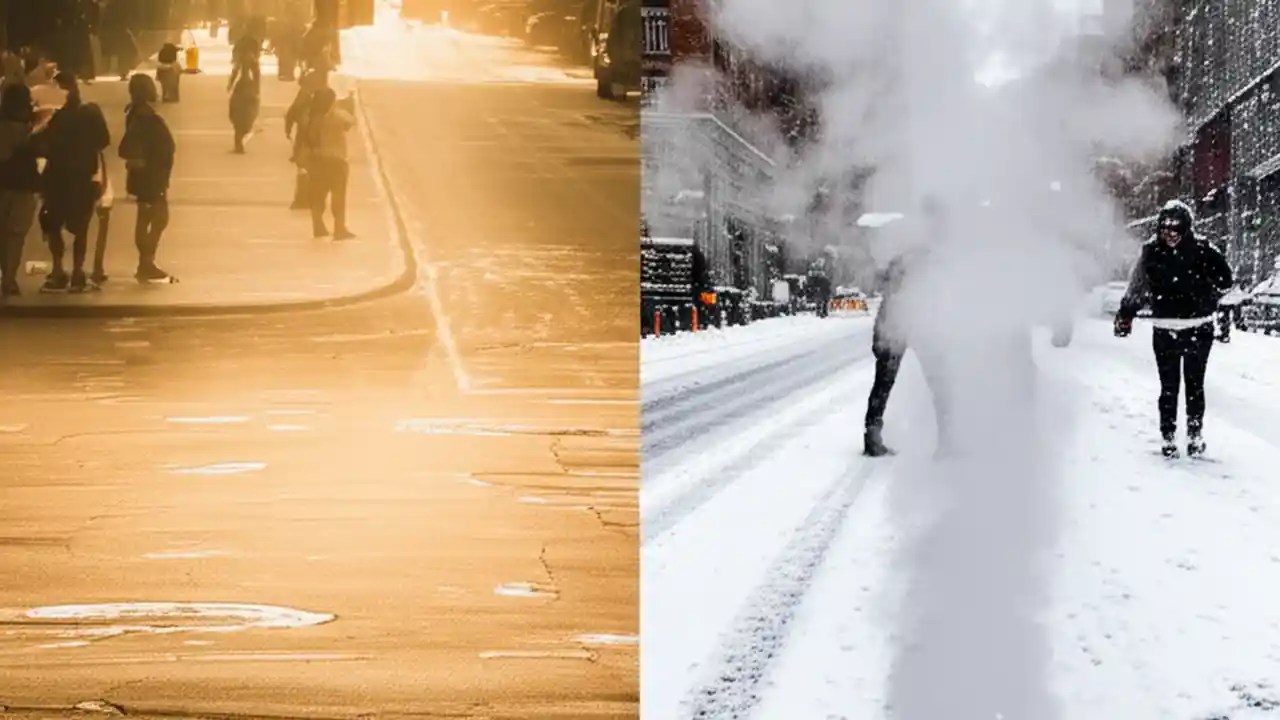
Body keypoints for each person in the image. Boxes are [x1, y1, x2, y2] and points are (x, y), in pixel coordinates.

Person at [1115, 200, 1233, 458]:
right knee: (1170, 385)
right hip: (1169, 326)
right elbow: (1138, 286)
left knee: (1193, 384)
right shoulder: (1154, 252)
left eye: (1175, 227)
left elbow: (1226, 281)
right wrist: (1126, 314)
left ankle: (1193, 433)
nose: (1169, 233)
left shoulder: (1202, 251)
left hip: (1197, 327)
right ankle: (1169, 435)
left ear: (1186, 227)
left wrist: (1208, 296)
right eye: (1165, 227)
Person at [37, 71, 110, 293]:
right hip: (82, 177)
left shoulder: (53, 117)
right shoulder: (90, 113)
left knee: (53, 224)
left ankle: (58, 270)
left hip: (56, 177)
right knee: (81, 227)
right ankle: (78, 272)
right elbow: (104, 141)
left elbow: (41, 144)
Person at [119, 74, 176, 283]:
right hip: (151, 176)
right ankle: (146, 261)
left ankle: (146, 260)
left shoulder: (136, 113)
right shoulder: (144, 117)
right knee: (157, 217)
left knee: (148, 217)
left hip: (148, 175)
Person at [0, 83, 46, 297]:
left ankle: (5, 276)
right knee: (15, 235)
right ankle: (8, 279)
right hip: (23, 186)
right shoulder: (28, 129)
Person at [302, 87, 356, 240]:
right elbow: (351, 121)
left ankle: (318, 226)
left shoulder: (310, 118)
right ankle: (339, 228)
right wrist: (349, 103)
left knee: (318, 195)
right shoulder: (336, 117)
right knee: (338, 196)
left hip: (316, 161)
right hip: (337, 161)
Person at [285, 68, 328, 209]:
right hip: (312, 140)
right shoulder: (320, 96)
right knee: (311, 170)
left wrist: (288, 128)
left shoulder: (304, 96)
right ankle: (311, 199)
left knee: (304, 170)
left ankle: (302, 199)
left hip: (306, 139)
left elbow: (291, 113)